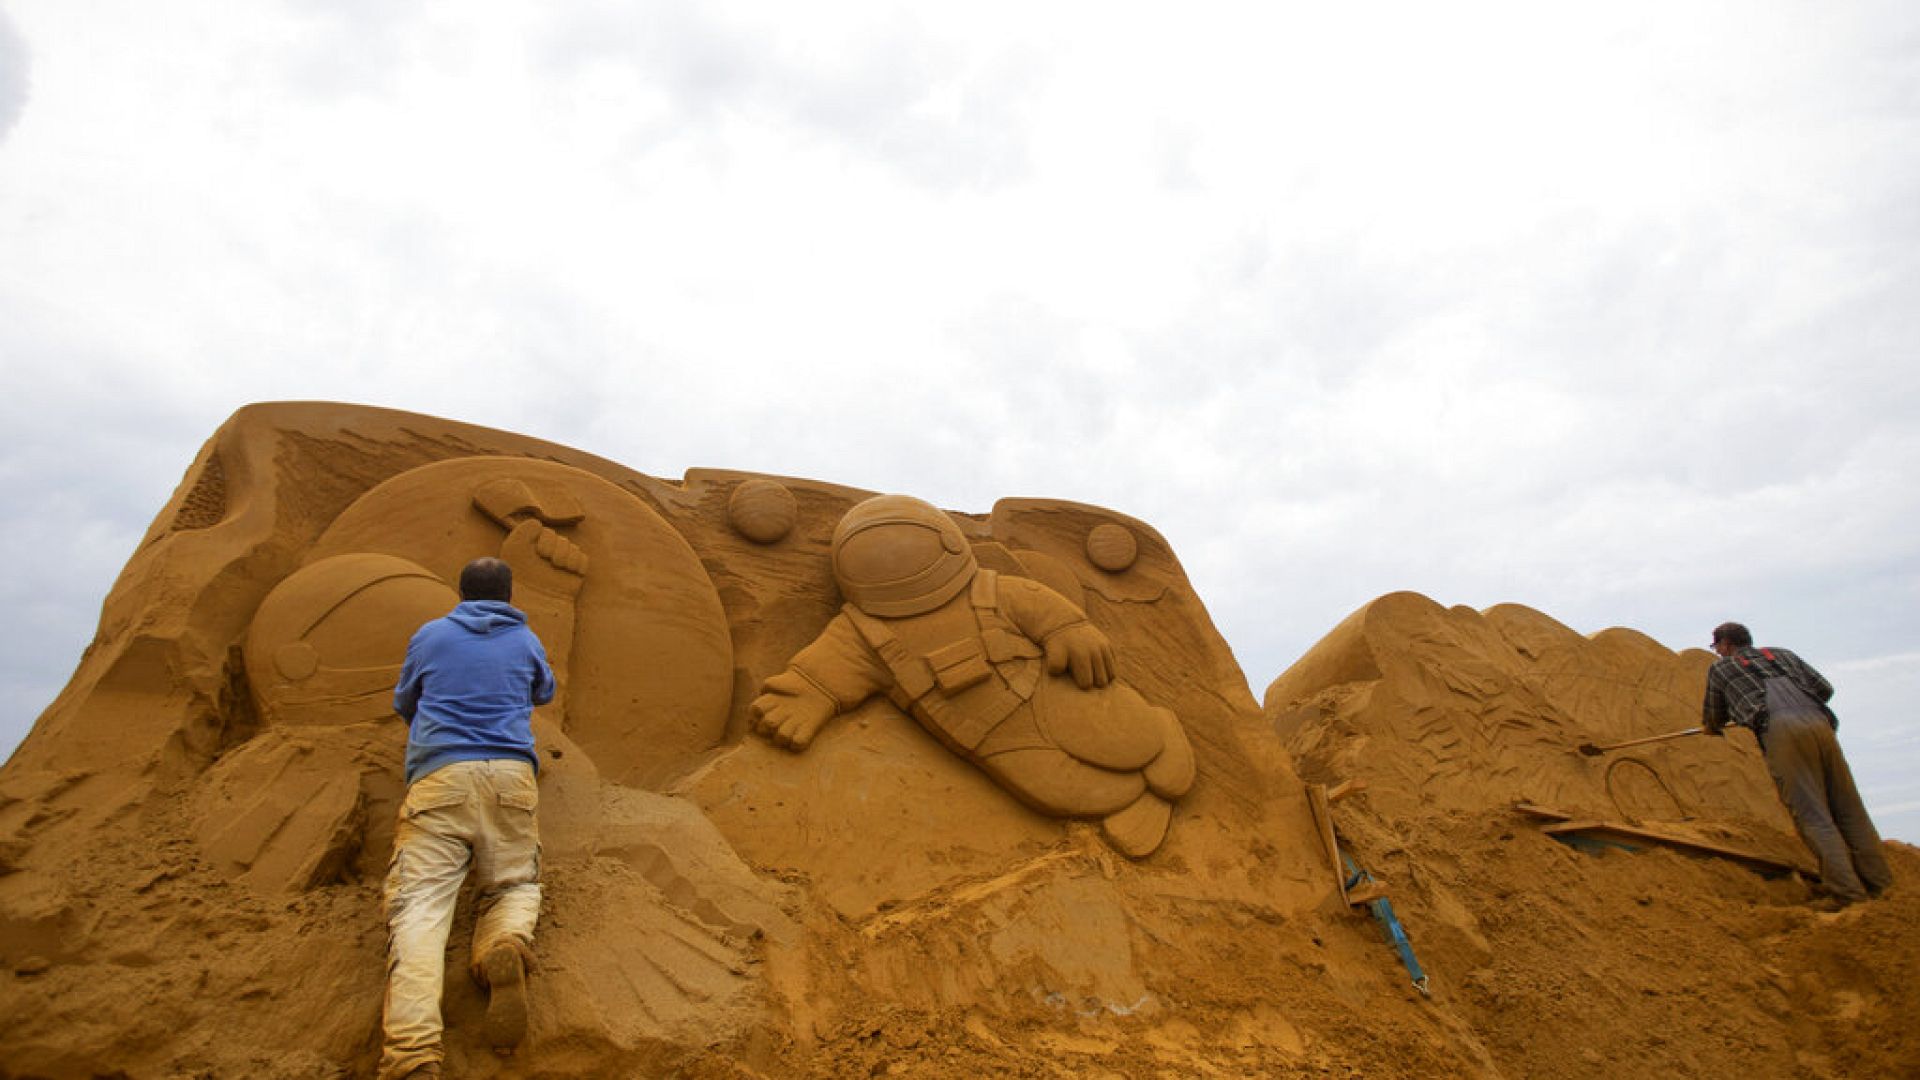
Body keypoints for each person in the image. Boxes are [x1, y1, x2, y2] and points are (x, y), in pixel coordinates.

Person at [378, 557, 554, 1080]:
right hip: (509, 775)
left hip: (441, 776)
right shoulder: (526, 640)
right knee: (514, 883)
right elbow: (543, 692)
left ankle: (412, 1056)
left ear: (460, 592)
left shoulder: (430, 636)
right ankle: (503, 942)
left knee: (422, 909)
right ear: (508, 594)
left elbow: (404, 701)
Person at [1702, 621, 1892, 906]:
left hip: (1782, 731)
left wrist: (1713, 726)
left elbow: (1714, 716)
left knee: (1812, 813)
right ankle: (1882, 886)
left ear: (1726, 644)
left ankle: (1846, 892)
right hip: (1820, 724)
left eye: (1717, 647)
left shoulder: (1721, 669)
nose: (1717, 653)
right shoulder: (1782, 655)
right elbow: (1824, 689)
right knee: (1849, 809)